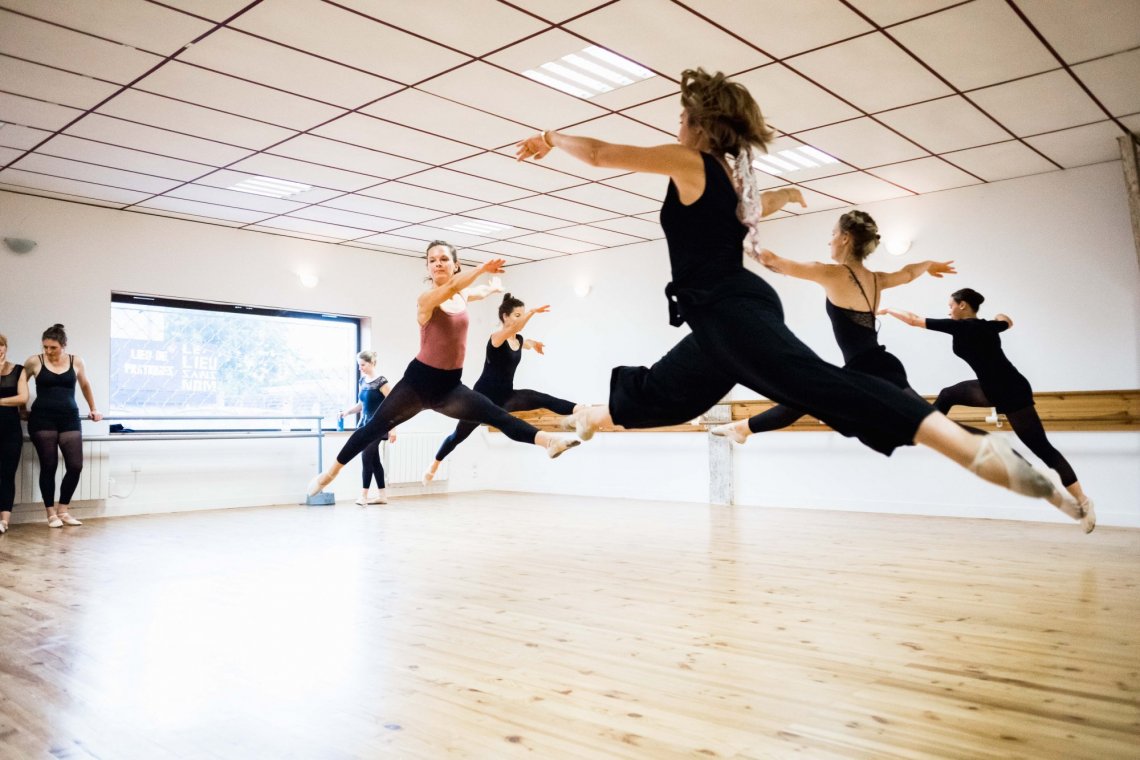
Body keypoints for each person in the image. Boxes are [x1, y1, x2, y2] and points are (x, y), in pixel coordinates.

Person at [515, 67, 1084, 526]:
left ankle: (964, 446)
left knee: (815, 383)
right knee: (670, 394)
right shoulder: (730, 177)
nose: (677, 125)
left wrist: (550, 137)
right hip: (724, 313)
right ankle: (590, 416)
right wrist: (784, 196)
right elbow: (751, 211)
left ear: (701, 125)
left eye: (682, 117)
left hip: (729, 309)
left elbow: (600, 154)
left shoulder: (691, 161)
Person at [307, 241, 579, 496]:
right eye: (432, 260)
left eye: (444, 259)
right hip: (417, 383)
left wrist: (491, 288)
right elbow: (451, 288)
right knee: (375, 427)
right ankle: (329, 474)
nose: (438, 263)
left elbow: (471, 291)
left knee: (496, 414)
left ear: (455, 265)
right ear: (427, 267)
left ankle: (549, 442)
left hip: (450, 387)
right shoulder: (427, 299)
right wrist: (481, 269)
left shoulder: (462, 294)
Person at [709, 210, 956, 443]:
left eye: (833, 234)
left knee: (806, 397)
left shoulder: (832, 273)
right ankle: (743, 429)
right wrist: (928, 264)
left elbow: (772, 260)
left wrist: (730, 235)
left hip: (868, 368)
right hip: (878, 364)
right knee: (932, 425)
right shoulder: (876, 279)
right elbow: (908, 273)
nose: (830, 241)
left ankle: (742, 429)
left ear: (845, 238)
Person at [881, 289, 1095, 532]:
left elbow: (912, 319)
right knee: (948, 394)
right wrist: (998, 318)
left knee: (1042, 449)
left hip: (1011, 391)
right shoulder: (989, 326)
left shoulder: (961, 327)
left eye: (951, 306)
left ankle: (1083, 502)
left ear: (962, 305)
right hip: (992, 387)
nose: (949, 310)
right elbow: (1006, 320)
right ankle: (920, 427)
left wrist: (887, 309)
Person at [423, 293, 582, 484]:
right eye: (517, 315)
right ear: (505, 317)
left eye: (522, 314)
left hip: (506, 396)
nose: (520, 319)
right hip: (481, 400)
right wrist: (531, 312)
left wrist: (534, 344)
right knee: (457, 436)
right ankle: (434, 464)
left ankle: (581, 411)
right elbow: (515, 329)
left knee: (541, 398)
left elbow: (525, 343)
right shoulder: (496, 338)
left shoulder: (518, 339)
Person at [23, 324, 102, 528]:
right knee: (49, 465)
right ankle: (51, 513)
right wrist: (21, 408)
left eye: (53, 347)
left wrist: (93, 408)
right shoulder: (34, 361)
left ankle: (63, 510)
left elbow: (85, 384)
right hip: (42, 419)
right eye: (45, 347)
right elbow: (19, 384)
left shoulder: (76, 361)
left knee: (75, 466)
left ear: (63, 345)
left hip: (69, 418)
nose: (48, 351)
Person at [337, 350, 396, 505]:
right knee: (374, 459)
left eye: (362, 365)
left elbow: (393, 407)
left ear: (372, 363)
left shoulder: (382, 382)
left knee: (366, 456)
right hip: (364, 425)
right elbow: (361, 404)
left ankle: (363, 496)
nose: (360, 368)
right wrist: (347, 412)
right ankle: (382, 496)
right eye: (359, 365)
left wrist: (393, 429)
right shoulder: (362, 381)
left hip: (378, 426)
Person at [0, 333, 29, 534]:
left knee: (7, 474)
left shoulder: (19, 370)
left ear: (6, 347)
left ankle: (4, 521)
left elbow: (22, 397)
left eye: (1, 345)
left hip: (10, 429)